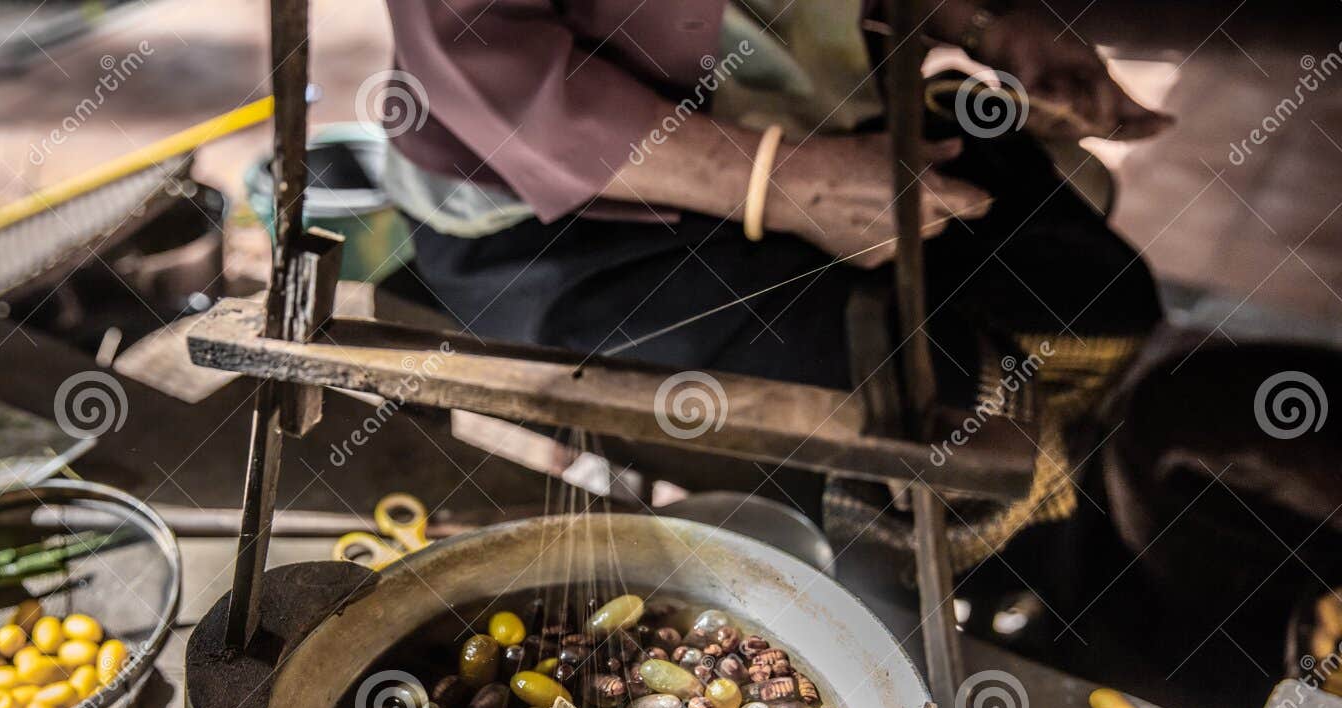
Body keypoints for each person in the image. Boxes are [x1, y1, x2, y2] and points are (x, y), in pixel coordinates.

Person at [377, 0, 1173, 564]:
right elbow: (482, 60)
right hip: (573, 215)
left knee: (1103, 298)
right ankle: (983, 617)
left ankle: (1102, 516)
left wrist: (982, 24)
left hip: (815, 117)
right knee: (960, 422)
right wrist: (778, 182)